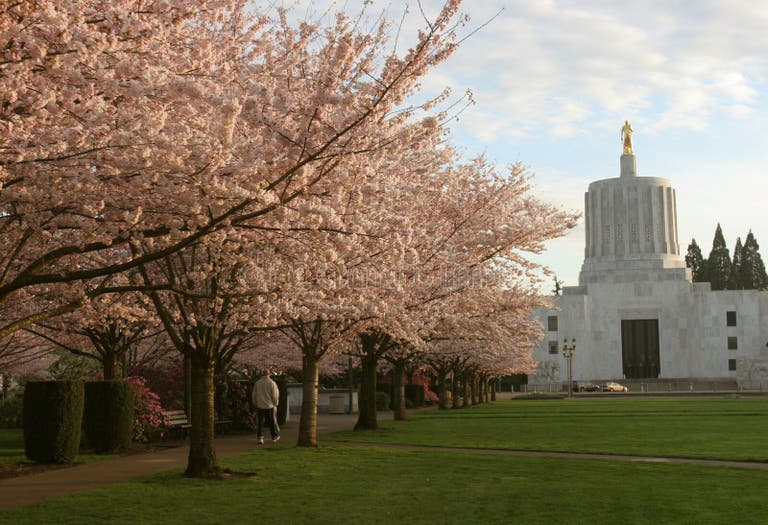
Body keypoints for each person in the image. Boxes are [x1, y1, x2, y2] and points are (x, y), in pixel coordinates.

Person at [252, 369, 280, 444]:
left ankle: (260, 438)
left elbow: (254, 394)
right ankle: (274, 436)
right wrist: (275, 403)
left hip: (260, 405)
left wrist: (255, 403)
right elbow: (274, 395)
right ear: (269, 374)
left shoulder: (257, 383)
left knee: (260, 422)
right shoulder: (272, 383)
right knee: (271, 421)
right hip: (269, 405)